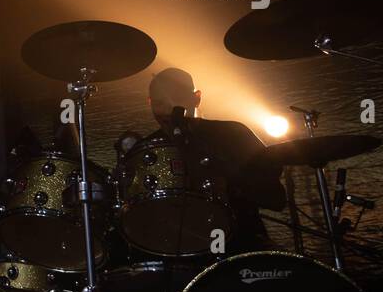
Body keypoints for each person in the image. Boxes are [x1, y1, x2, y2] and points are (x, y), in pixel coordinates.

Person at [117, 67, 285, 253]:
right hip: (173, 247)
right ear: (149, 103)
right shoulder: (146, 149)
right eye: (159, 103)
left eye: (176, 101)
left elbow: (275, 198)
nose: (168, 111)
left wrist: (226, 175)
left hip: (239, 240)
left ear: (196, 97)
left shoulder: (233, 134)